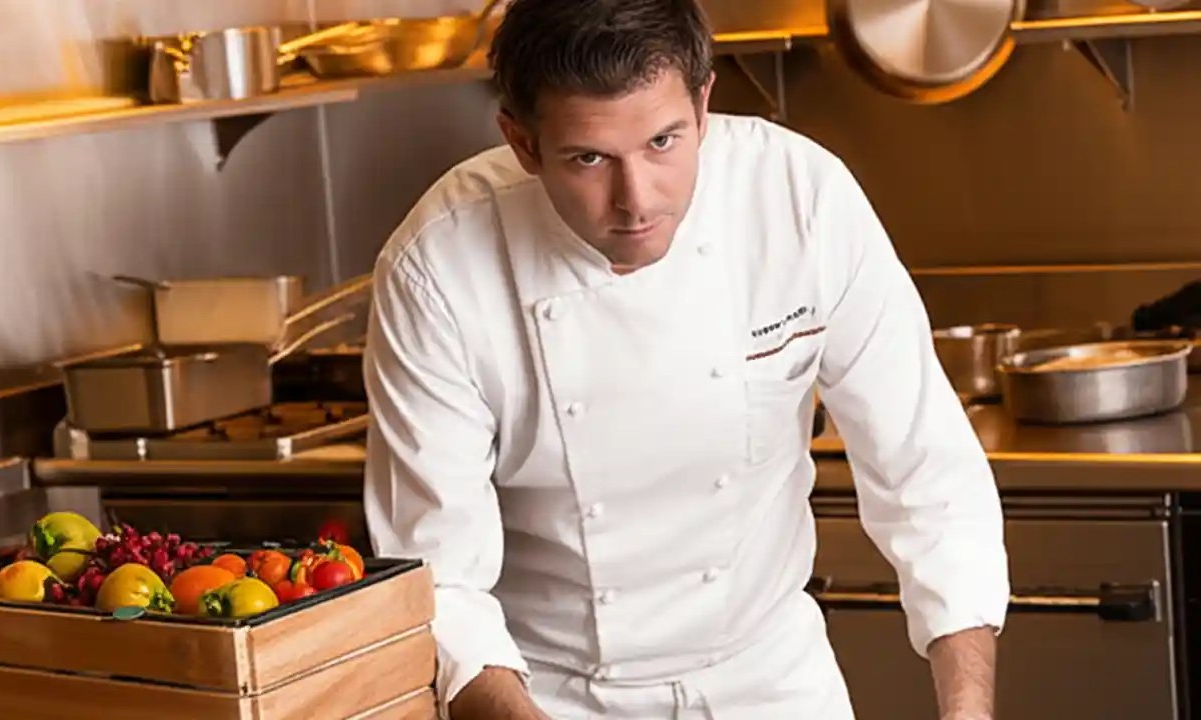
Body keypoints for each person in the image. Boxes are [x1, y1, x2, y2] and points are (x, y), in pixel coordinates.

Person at [362, 0, 1010, 717]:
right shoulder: (440, 266)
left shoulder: (798, 200)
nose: (635, 200)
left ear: (703, 105)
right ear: (521, 142)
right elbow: (441, 580)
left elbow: (928, 476)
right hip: (549, 695)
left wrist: (967, 708)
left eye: (664, 142)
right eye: (588, 158)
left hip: (772, 684)